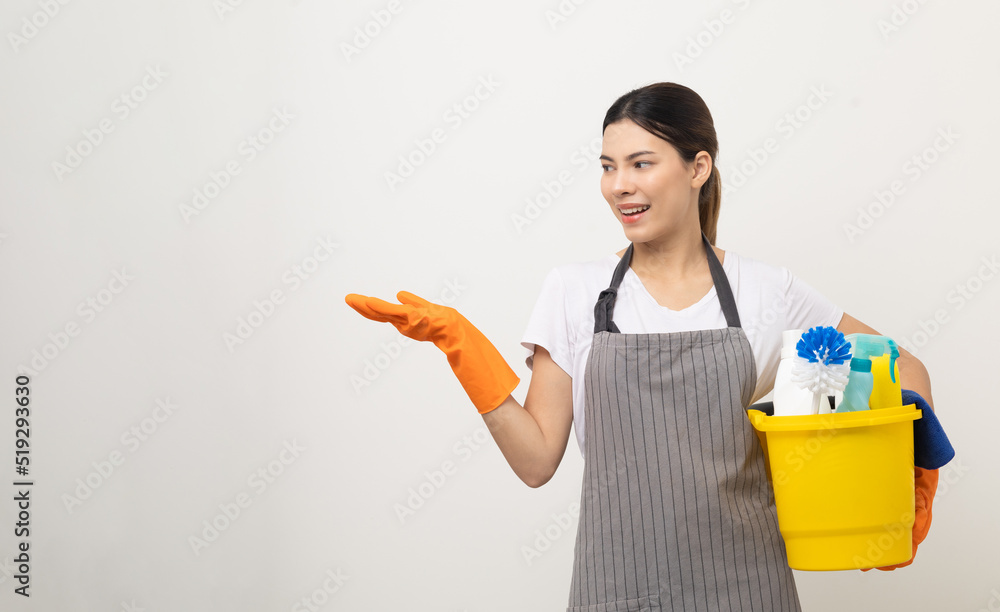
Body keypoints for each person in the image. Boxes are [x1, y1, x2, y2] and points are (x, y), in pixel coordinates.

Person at [345, 82, 939, 611]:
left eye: (640, 163)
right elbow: (535, 462)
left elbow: (901, 363)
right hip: (615, 589)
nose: (618, 186)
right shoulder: (575, 290)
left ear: (697, 167)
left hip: (748, 587)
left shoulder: (766, 290)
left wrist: (909, 475)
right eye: (608, 166)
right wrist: (463, 348)